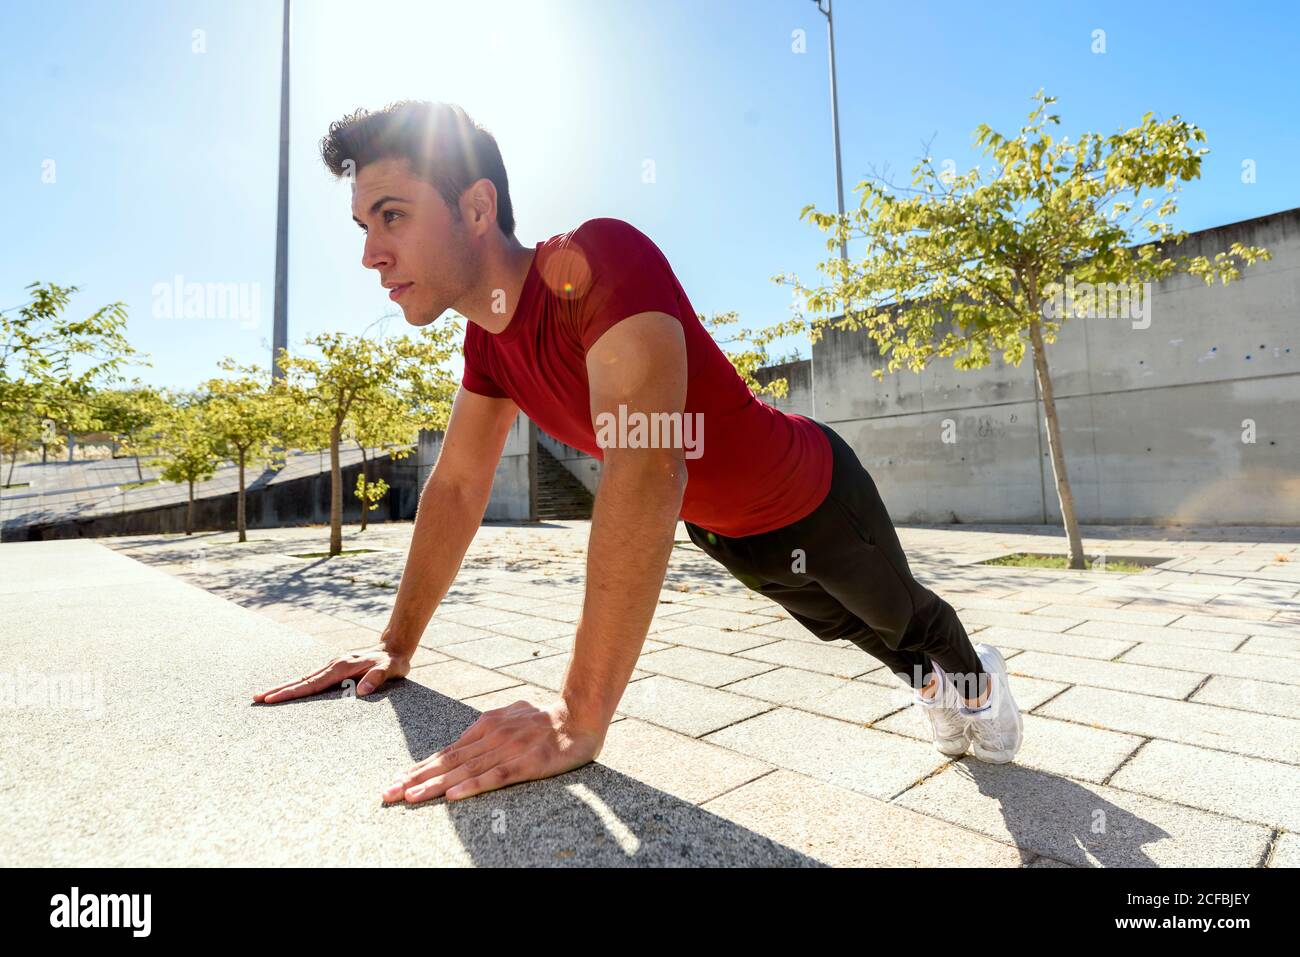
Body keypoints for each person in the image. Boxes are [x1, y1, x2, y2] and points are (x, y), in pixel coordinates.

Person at [253, 100, 1022, 805]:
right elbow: (456, 486)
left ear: (477, 207)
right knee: (847, 627)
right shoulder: (487, 344)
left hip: (815, 493)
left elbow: (648, 459)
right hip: (726, 533)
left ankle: (979, 686)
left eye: (391, 216)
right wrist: (394, 646)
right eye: (363, 227)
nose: (371, 255)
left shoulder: (596, 260)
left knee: (903, 617)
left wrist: (575, 716)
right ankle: (934, 684)